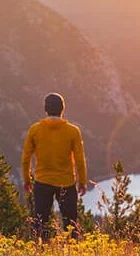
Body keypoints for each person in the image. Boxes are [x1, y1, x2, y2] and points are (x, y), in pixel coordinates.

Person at [21, 92, 91, 239]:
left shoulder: (35, 129)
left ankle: (41, 253)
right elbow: (79, 160)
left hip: (42, 182)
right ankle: (72, 254)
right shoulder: (73, 131)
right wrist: (82, 182)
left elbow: (26, 158)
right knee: (70, 224)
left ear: (45, 109)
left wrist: (27, 180)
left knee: (41, 222)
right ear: (62, 109)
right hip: (66, 183)